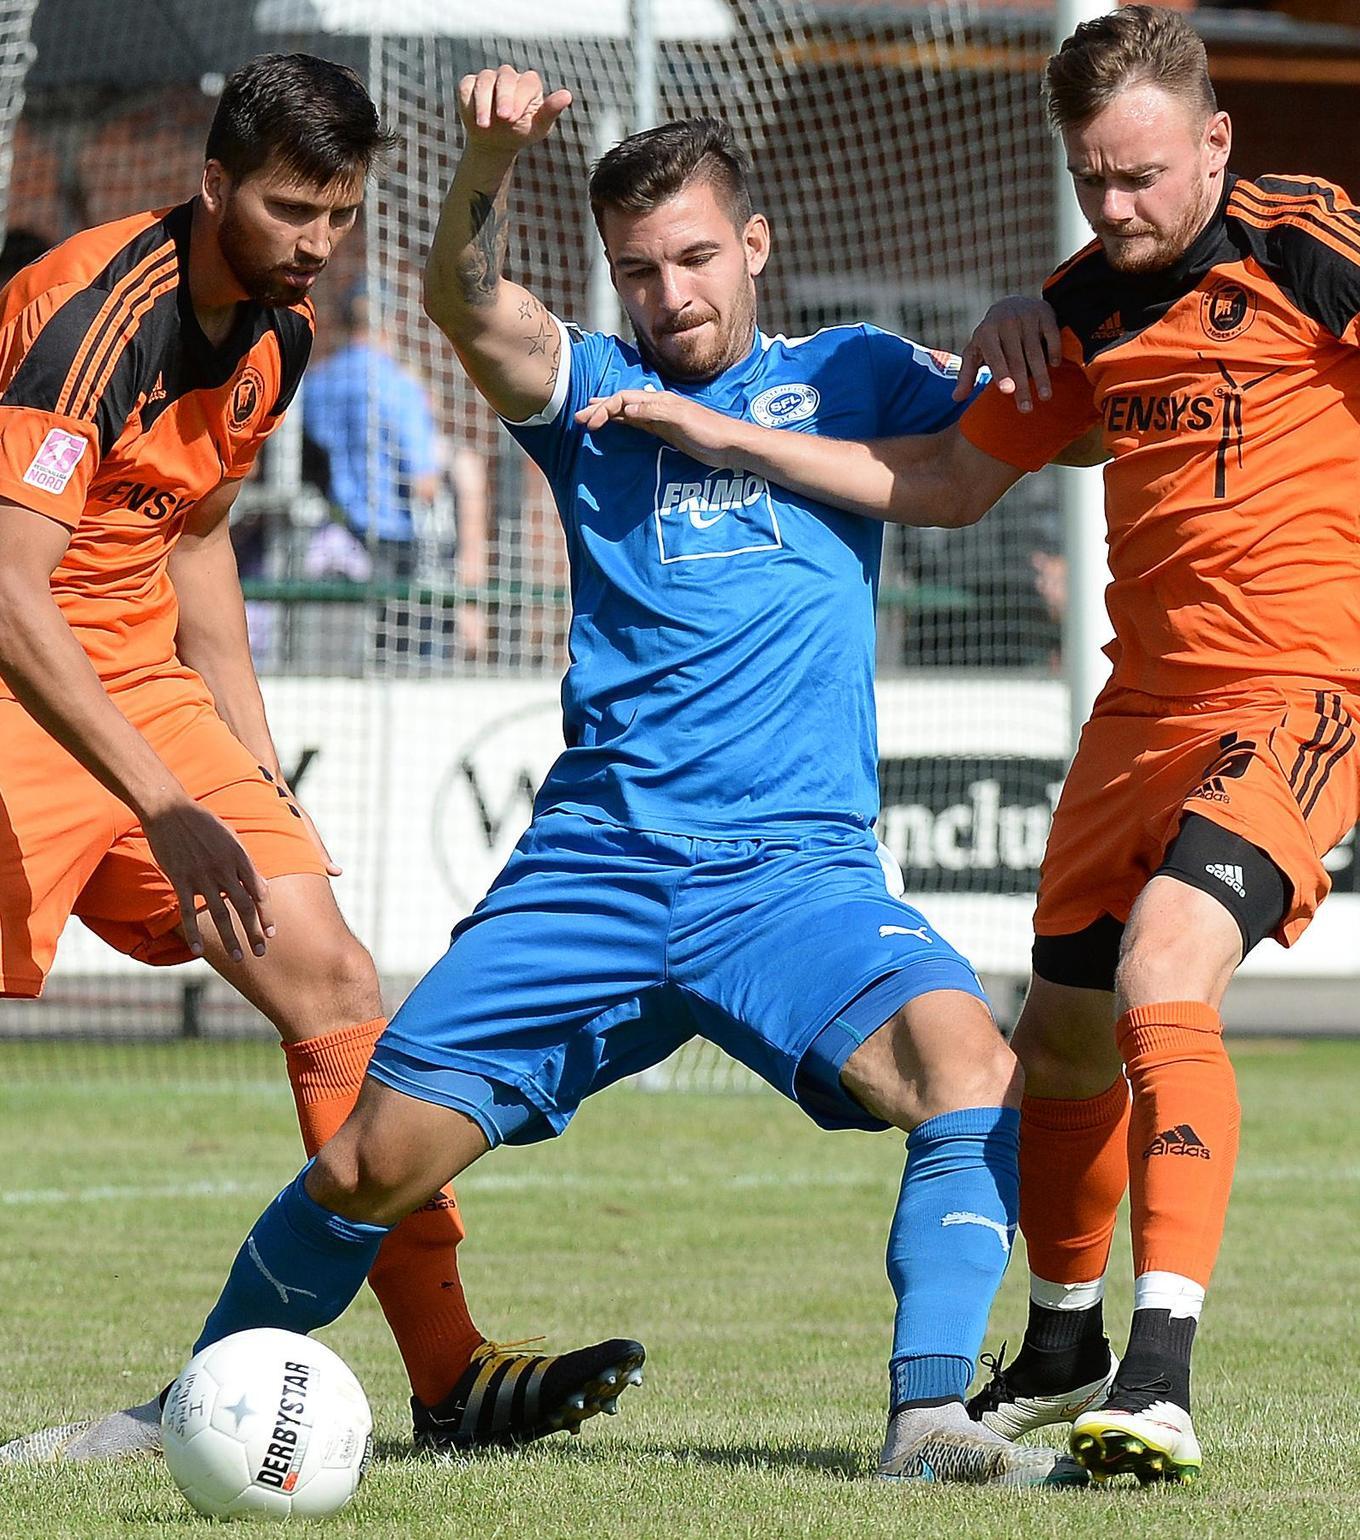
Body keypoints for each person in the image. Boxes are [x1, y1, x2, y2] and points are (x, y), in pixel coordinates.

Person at [153, 67, 1096, 1491]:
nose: (675, 295)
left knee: (967, 1068)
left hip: (793, 875)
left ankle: (927, 1422)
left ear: (756, 244)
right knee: (366, 1167)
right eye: (640, 270)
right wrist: (485, 166)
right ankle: (179, 1408)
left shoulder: (855, 373)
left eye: (699, 258)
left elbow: (1046, 434)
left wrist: (1050, 319)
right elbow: (467, 302)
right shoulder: (595, 387)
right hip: (595, 874)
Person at [579, 4, 1360, 1486]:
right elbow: (940, 483)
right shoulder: (1076, 306)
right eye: (1092, 181)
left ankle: (1161, 1371)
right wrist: (735, 437)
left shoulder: (1312, 239)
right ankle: (1061, 1340)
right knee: (1053, 1039)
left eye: (1142, 177)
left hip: (1302, 696)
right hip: (1141, 713)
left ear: (1217, 140)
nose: (1116, 209)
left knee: (1158, 977)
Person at [0, 53, 639, 1465]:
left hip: (140, 691)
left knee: (339, 981)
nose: (319, 245)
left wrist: (246, 762)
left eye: (342, 217)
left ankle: (450, 1374)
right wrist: (168, 804)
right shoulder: (93, 317)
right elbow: (9, 587)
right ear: (214, 184)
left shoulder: (280, 333)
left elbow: (200, 532)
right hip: (14, 667)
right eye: (293, 211)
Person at [303, 281, 490, 659]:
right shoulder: (398, 386)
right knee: (406, 659)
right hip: (391, 545)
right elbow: (424, 482)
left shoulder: (315, 383)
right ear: (390, 323)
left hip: (330, 538)